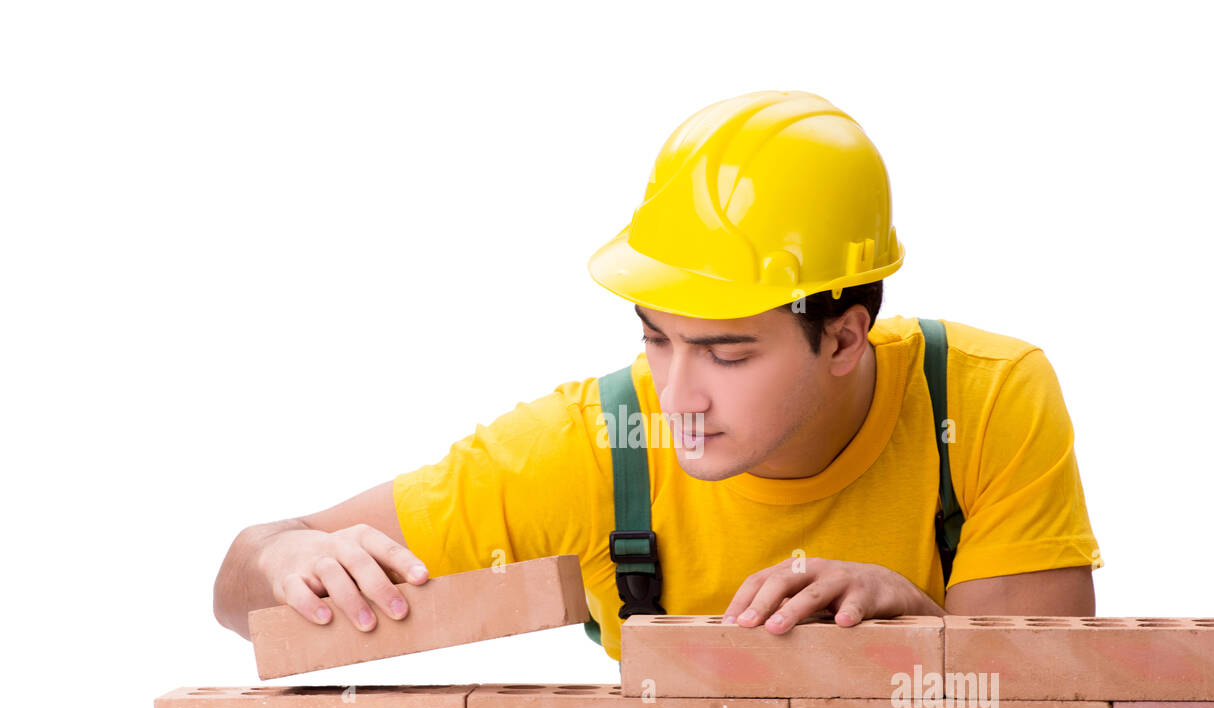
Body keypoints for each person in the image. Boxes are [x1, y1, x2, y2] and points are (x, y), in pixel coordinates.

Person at [213, 89, 1100, 662]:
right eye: (657, 338)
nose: (676, 398)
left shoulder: (983, 404)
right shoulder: (596, 447)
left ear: (843, 337)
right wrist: (290, 557)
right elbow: (243, 582)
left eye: (727, 352)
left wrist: (916, 630)